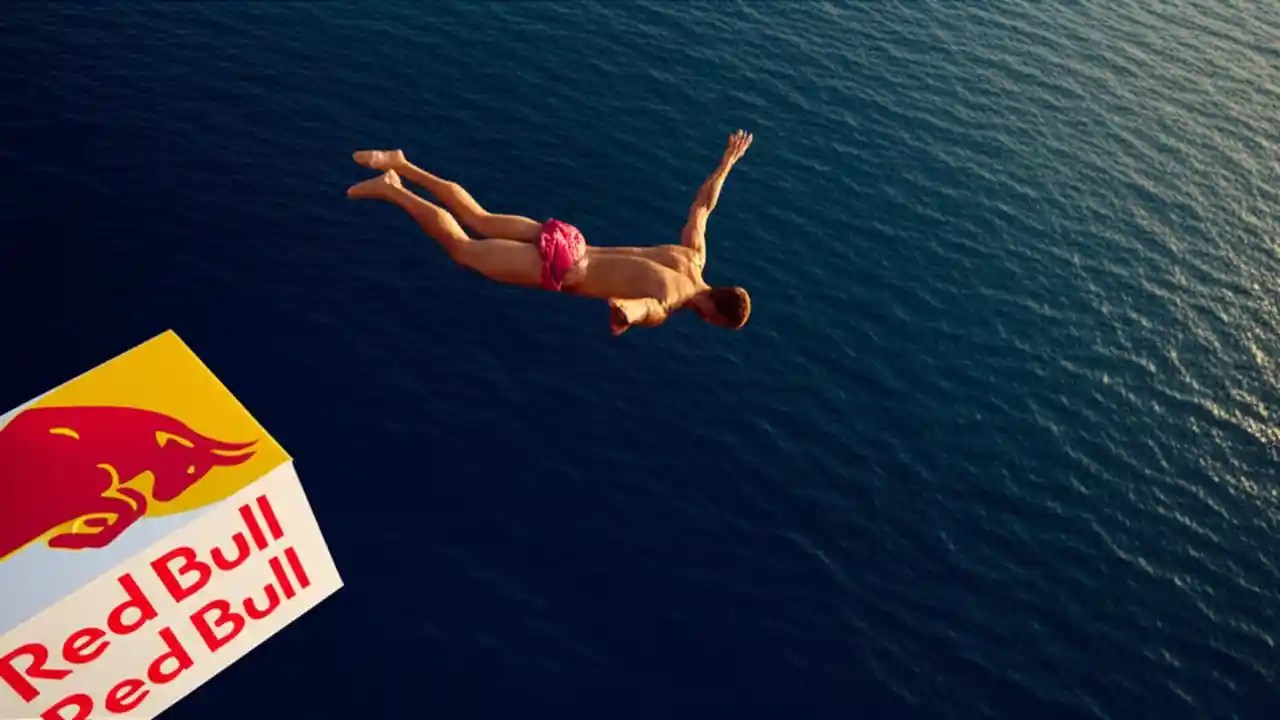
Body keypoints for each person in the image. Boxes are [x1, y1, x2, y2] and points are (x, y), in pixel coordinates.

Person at [346, 130, 755, 335]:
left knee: (479, 217)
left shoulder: (692, 256)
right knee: (463, 249)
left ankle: (402, 164)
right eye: (713, 323)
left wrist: (725, 165)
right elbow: (641, 308)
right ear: (714, 313)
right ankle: (391, 190)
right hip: (562, 268)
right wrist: (623, 315)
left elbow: (703, 206)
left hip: (572, 239)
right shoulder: (668, 305)